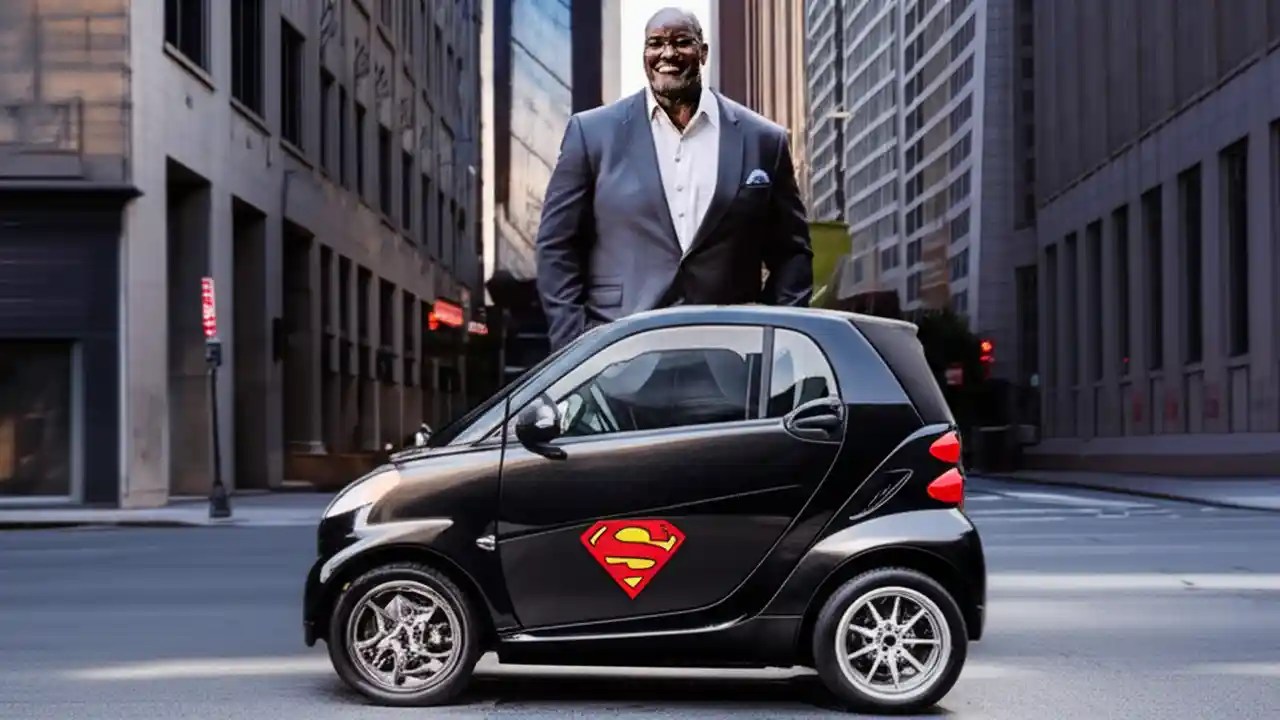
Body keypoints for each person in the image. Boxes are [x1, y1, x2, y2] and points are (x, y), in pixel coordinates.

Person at [534, 7, 813, 351]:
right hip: (615, 359)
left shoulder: (763, 140)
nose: (668, 53)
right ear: (644, 54)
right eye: (656, 44)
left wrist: (773, 337)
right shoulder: (591, 134)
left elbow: (793, 253)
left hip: (728, 362)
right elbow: (556, 246)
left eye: (682, 42)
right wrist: (574, 344)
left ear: (703, 53)